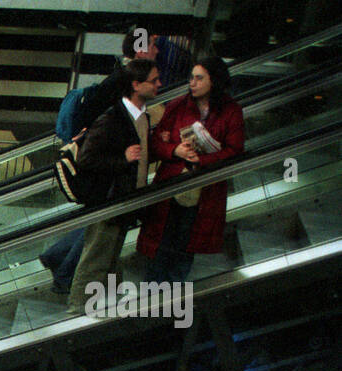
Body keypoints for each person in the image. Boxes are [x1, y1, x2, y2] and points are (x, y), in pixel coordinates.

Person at [42, 28, 160, 293]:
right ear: (140, 50)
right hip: (107, 172)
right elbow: (105, 132)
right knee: (100, 233)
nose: (157, 50)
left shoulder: (120, 77)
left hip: (110, 170)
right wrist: (122, 158)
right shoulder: (122, 84)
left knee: (99, 230)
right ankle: (66, 280)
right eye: (153, 44)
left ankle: (58, 259)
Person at [66, 59, 162, 317]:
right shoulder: (112, 119)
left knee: (109, 259)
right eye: (153, 80)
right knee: (96, 259)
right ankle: (76, 312)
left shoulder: (142, 117)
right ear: (135, 85)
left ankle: (103, 306)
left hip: (126, 199)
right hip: (109, 201)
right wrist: (124, 159)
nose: (158, 85)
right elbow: (87, 159)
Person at [137, 56, 245, 283]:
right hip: (171, 186)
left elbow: (235, 151)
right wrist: (175, 150)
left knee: (187, 242)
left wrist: (201, 161)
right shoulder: (177, 106)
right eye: (191, 78)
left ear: (213, 81)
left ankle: (172, 292)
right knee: (161, 239)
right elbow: (156, 143)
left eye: (199, 78)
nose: (192, 83)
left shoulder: (231, 111)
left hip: (205, 192)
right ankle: (152, 291)